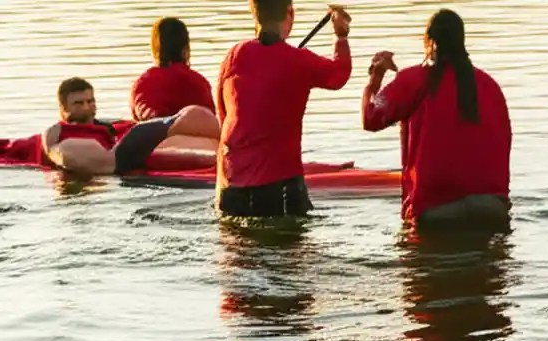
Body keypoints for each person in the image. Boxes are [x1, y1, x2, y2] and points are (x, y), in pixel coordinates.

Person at [362, 9, 511, 225]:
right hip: (491, 207)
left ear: (429, 42)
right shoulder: (490, 86)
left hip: (436, 209)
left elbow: (370, 118)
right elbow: (504, 142)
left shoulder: (414, 81)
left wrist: (374, 80)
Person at [215, 1, 353, 218]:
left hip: (231, 187)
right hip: (280, 189)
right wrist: (341, 37)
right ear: (290, 12)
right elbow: (340, 74)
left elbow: (222, 117)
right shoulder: (300, 61)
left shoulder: (234, 56)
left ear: (254, 14)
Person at [41, 77, 220, 176]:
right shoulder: (58, 134)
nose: (87, 107)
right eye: (78, 104)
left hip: (127, 150)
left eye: (90, 101)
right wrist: (50, 146)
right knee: (192, 115)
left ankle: (233, 142)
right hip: (114, 161)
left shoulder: (113, 126)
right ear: (63, 109)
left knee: (194, 118)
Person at [130, 17, 216, 121]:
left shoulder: (142, 84)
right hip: (195, 133)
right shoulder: (199, 83)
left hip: (154, 134)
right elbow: (211, 119)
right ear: (185, 51)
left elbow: (141, 119)